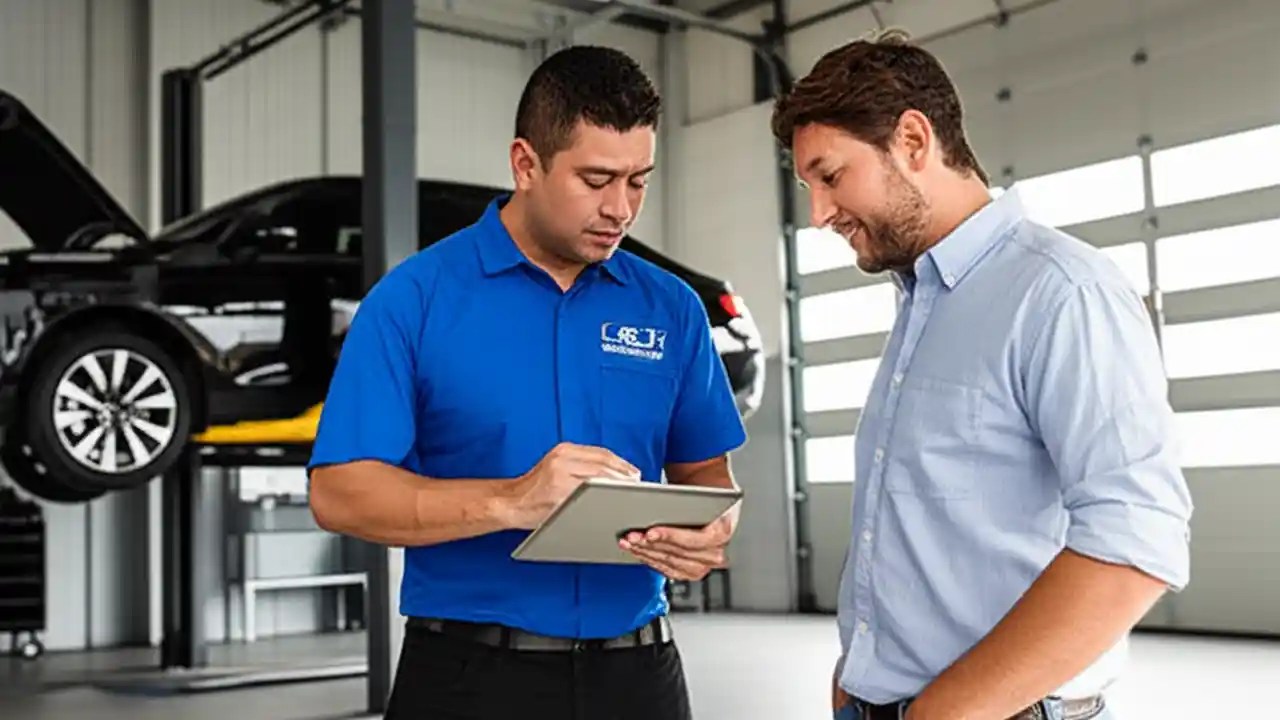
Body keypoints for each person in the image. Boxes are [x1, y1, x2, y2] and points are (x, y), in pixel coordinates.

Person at [307, 46, 747, 720]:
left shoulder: (672, 308)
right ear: (525, 164)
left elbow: (708, 475)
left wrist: (711, 529)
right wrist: (512, 501)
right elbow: (340, 493)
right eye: (596, 179)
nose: (621, 208)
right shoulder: (414, 299)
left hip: (640, 674)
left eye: (638, 181)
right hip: (468, 679)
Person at [771, 29, 1193, 720]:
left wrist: (949, 709)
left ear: (913, 141)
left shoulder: (1061, 292)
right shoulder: (922, 301)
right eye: (807, 187)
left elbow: (1136, 537)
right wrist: (862, 672)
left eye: (831, 176)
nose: (818, 215)